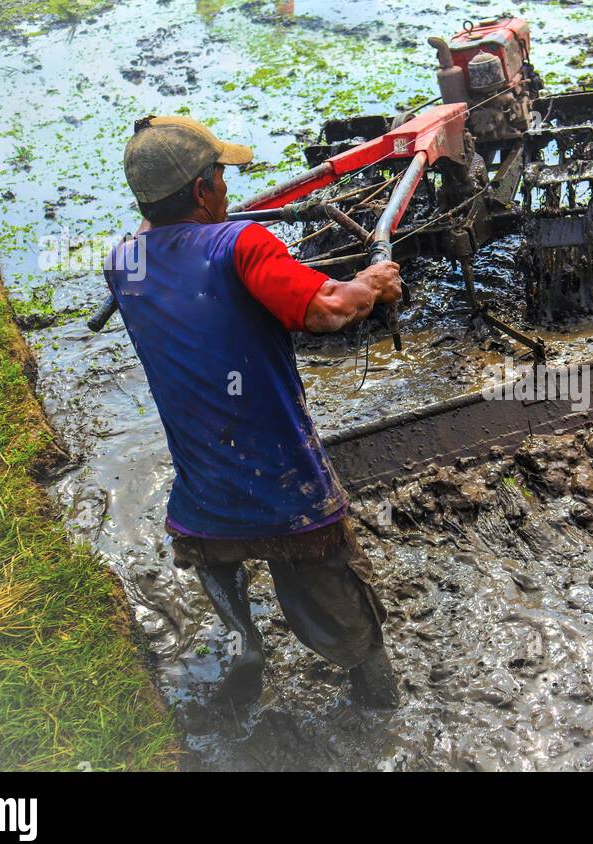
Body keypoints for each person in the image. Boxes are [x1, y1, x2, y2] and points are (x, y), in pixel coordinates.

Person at [103, 115, 402, 708]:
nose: (227, 188)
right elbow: (327, 310)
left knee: (226, 574)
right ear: (200, 191)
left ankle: (246, 648)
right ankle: (377, 700)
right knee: (349, 609)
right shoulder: (243, 245)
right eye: (219, 176)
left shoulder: (123, 265)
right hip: (286, 489)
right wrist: (371, 282)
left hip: (203, 499)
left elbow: (155, 231)